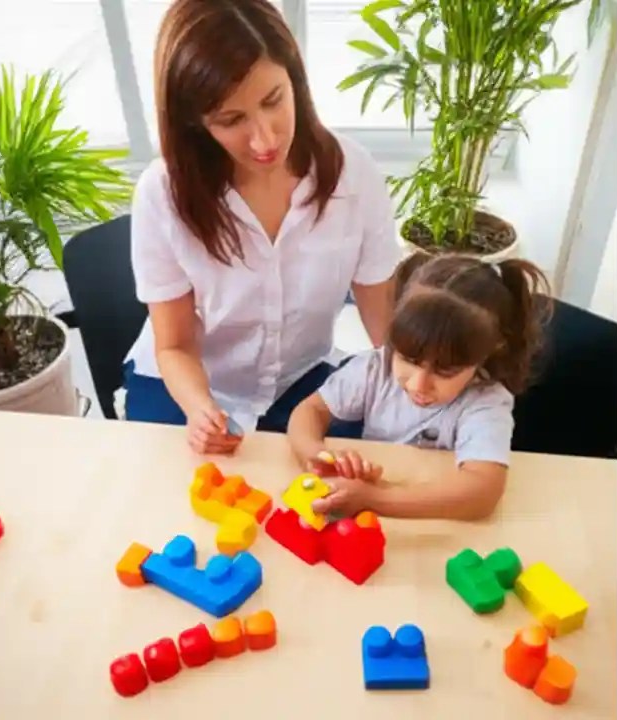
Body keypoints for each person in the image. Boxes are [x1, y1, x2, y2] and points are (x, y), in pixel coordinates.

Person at [123, 0, 402, 455]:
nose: (265, 139)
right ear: (196, 123)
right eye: (231, 120)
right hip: (187, 385)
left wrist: (423, 397)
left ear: (294, 75)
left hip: (302, 380)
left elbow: (385, 324)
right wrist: (200, 410)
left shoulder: (355, 175)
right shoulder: (163, 193)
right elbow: (172, 345)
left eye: (273, 100)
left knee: (353, 481)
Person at [286, 252, 554, 521]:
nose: (418, 384)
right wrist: (315, 455)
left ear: (488, 352)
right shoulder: (377, 367)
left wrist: (376, 499)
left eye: (445, 371)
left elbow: (483, 492)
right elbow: (311, 410)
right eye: (408, 359)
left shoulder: (486, 401)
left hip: (428, 515)